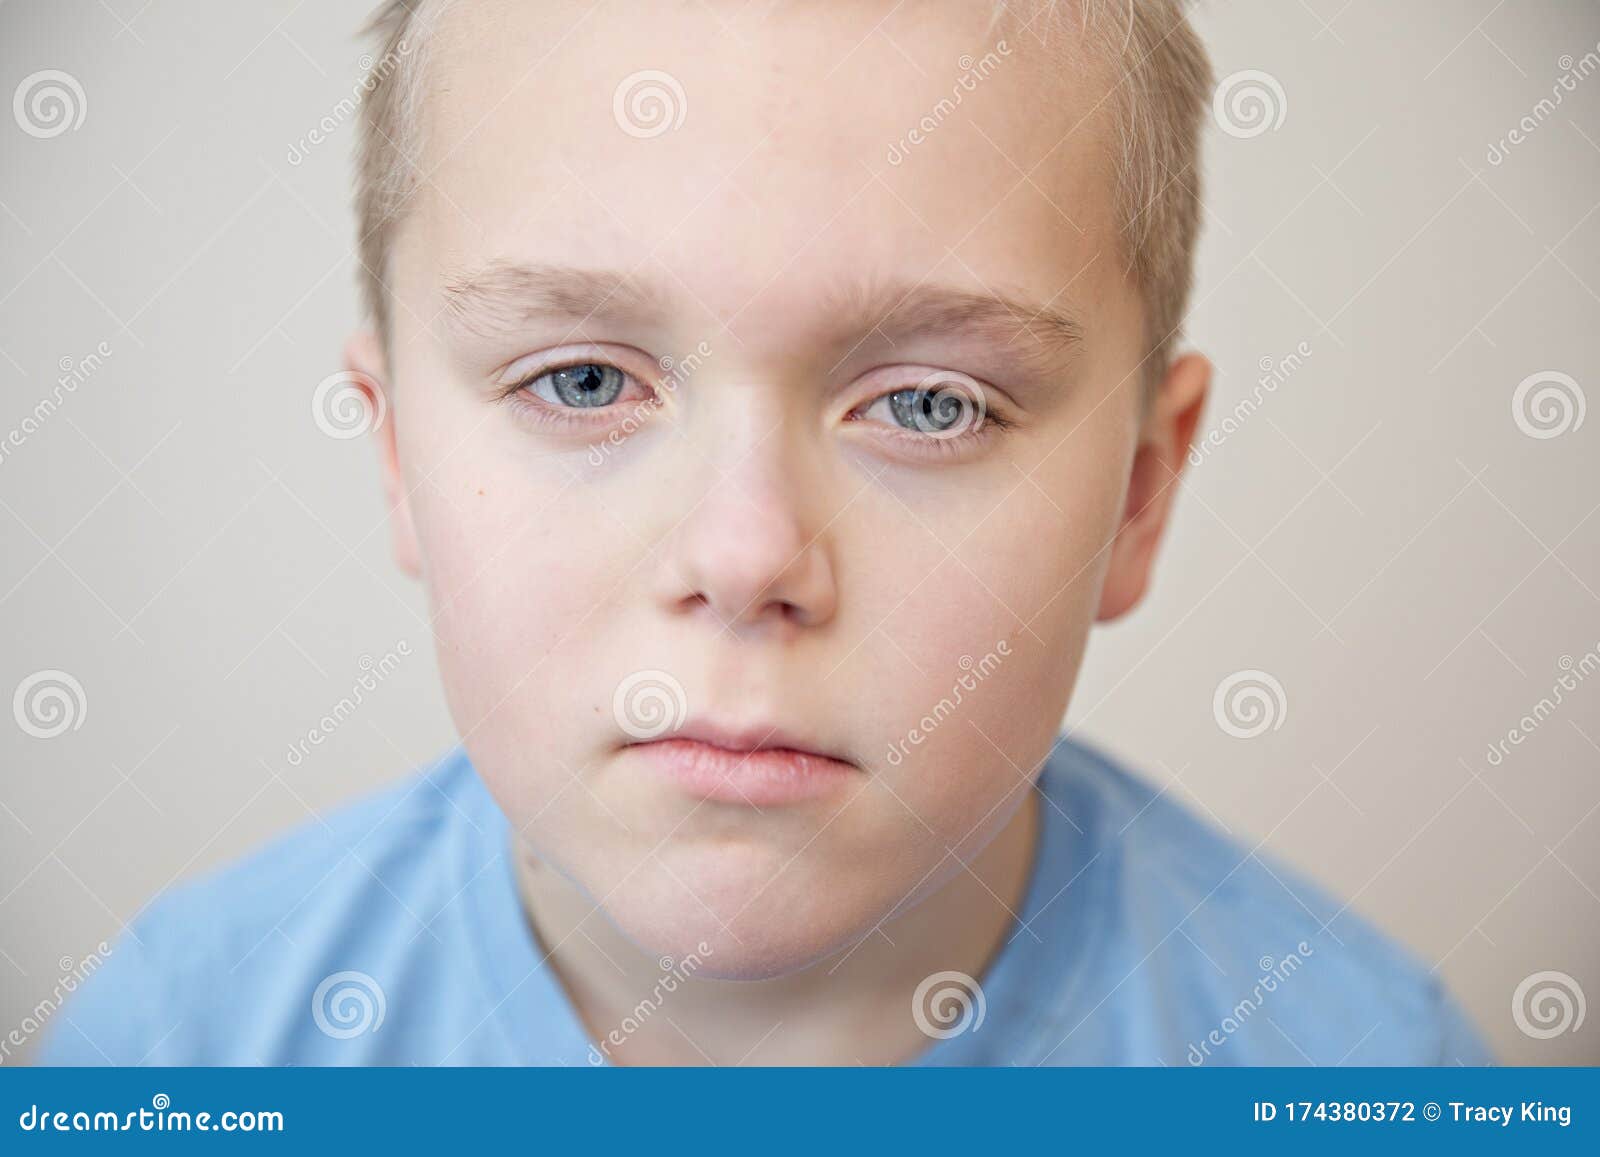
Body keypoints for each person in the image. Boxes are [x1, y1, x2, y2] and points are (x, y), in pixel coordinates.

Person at [39, 0, 1490, 1067]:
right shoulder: (176, 1048)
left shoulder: (1361, 1070)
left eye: (929, 404)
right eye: (587, 381)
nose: (745, 558)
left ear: (1137, 494)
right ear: (402, 455)